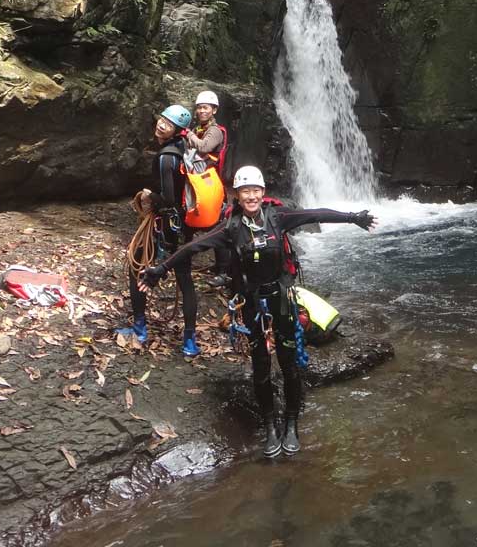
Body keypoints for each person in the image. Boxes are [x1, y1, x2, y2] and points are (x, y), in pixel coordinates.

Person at [139, 165, 376, 457]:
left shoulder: (277, 217)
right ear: (237, 196)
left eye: (255, 190)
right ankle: (270, 426)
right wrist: (160, 269)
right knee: (261, 367)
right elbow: (193, 247)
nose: (251, 196)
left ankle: (291, 423)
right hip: (253, 304)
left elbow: (315, 214)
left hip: (281, 300)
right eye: (245, 191)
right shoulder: (231, 228)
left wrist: (353, 218)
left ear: (263, 193)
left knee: (289, 364)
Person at [123, 104, 201, 357]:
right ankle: (189, 341)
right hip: (184, 225)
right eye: (162, 119)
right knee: (185, 278)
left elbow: (168, 199)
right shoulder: (183, 148)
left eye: (168, 123)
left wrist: (149, 195)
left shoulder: (167, 157)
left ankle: (139, 329)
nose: (161, 124)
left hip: (165, 225)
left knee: (137, 266)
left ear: (177, 130)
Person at [186, 90, 232, 286]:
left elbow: (204, 147)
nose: (201, 111)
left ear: (214, 110)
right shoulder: (199, 128)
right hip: (200, 180)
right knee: (192, 219)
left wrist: (187, 134)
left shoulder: (215, 131)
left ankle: (223, 271)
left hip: (211, 183)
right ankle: (184, 260)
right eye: (199, 108)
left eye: (205, 107)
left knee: (217, 226)